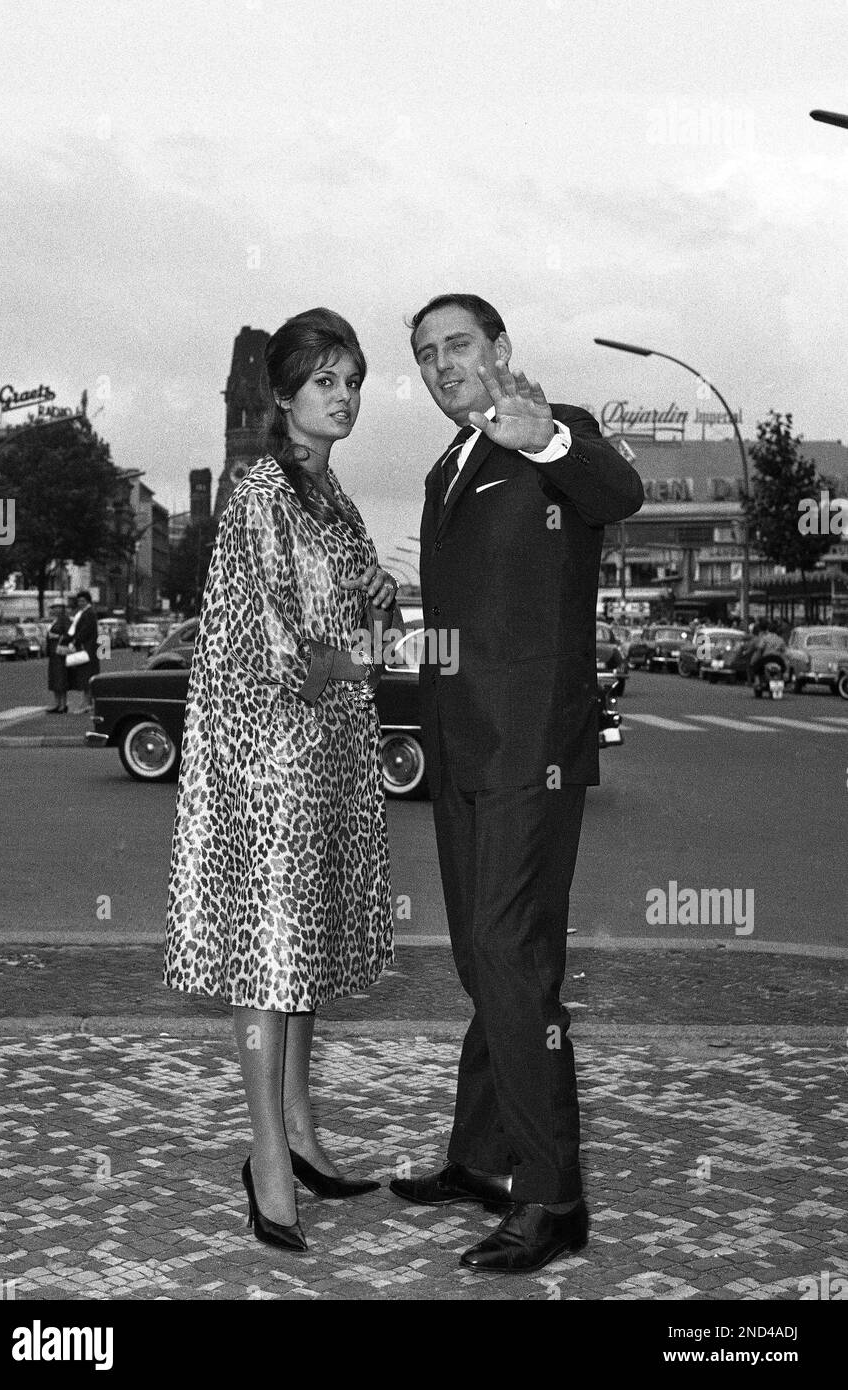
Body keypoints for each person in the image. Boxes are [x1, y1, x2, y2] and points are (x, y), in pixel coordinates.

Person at [389, 293, 644, 1273]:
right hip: (461, 758)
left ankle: (552, 1197)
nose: (443, 364)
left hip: (531, 755)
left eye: (458, 344)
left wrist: (545, 443)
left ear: (499, 350)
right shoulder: (440, 472)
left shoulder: (555, 434)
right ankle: (480, 1156)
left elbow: (618, 493)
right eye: (426, 355)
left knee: (509, 961)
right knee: (484, 959)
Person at [164, 308, 399, 1254]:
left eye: (352, 382)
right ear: (283, 397)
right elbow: (273, 643)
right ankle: (266, 1160)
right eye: (324, 383)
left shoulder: (332, 497)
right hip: (271, 763)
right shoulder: (263, 487)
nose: (342, 398)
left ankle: (300, 1132)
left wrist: (377, 602)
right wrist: (359, 658)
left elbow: (358, 631)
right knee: (268, 961)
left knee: (301, 956)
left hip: (328, 753)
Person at [65, 591, 99, 714]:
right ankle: (88, 702)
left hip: (87, 649)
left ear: (88, 601)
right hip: (88, 649)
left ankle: (86, 703)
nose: (80, 603)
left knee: (86, 676)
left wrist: (74, 642)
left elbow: (84, 631)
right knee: (87, 676)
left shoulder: (88, 613)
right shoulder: (85, 613)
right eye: (79, 601)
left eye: (83, 601)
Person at [45, 602, 70, 713]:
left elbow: (69, 634)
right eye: (53, 607)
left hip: (60, 654)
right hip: (54, 653)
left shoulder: (64, 620)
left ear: (61, 609)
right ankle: (57, 703)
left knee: (61, 678)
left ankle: (63, 704)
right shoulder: (55, 620)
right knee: (55, 679)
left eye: (56, 607)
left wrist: (56, 636)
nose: (54, 610)